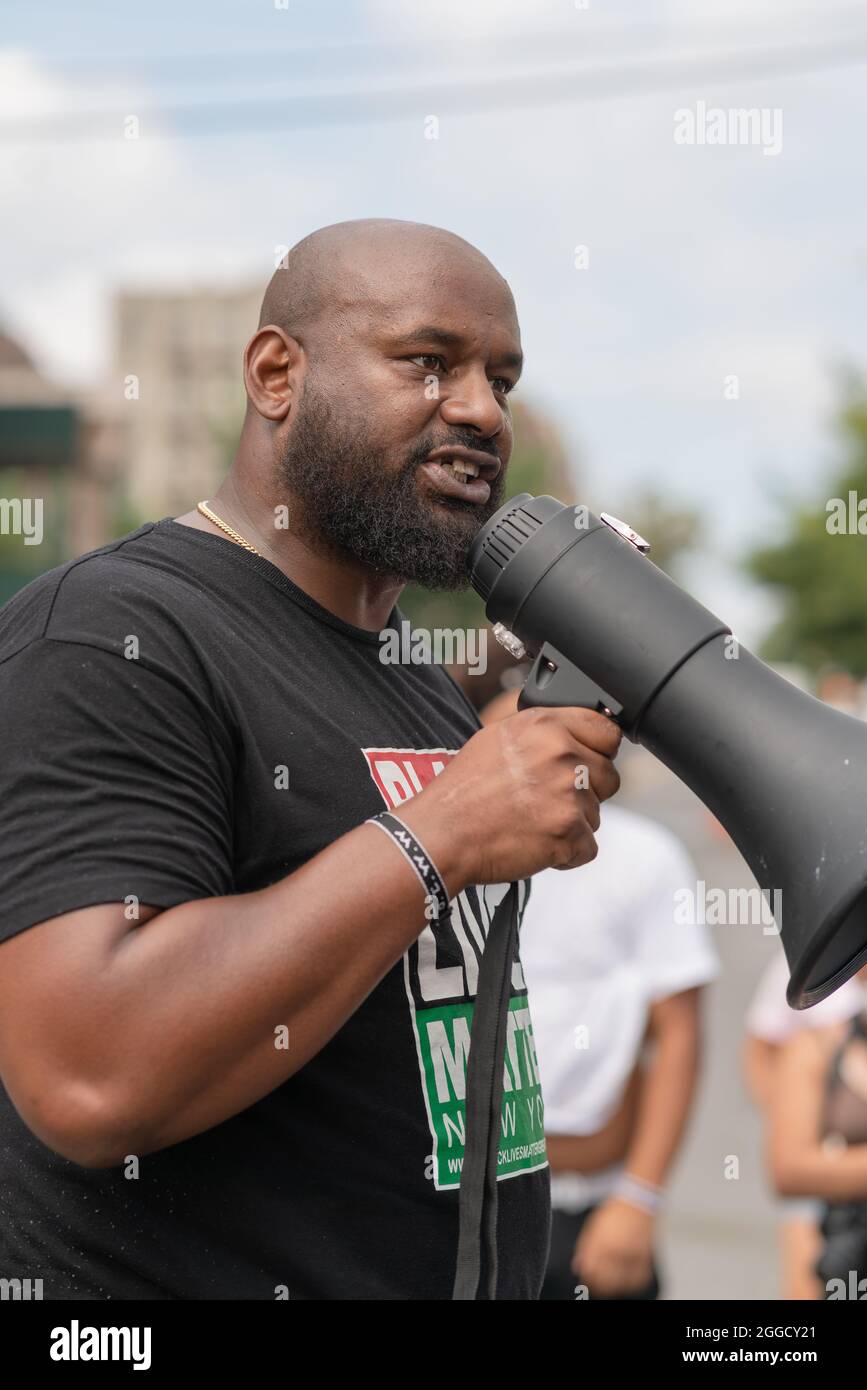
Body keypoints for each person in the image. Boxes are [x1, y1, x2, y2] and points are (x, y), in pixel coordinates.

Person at [0, 219, 623, 1300]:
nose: (480, 409)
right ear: (277, 373)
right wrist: (441, 831)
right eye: (427, 362)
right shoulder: (114, 632)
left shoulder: (414, 679)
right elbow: (86, 1074)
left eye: (501, 380)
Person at [477, 688, 718, 1300]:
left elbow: (679, 1036)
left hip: (590, 1210)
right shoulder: (447, 855)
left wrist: (639, 1199)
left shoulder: (645, 856)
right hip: (459, 1207)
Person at [742, 949, 864, 1299]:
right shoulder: (805, 962)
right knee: (813, 1277)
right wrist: (793, 1118)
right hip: (823, 1181)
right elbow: (758, 1052)